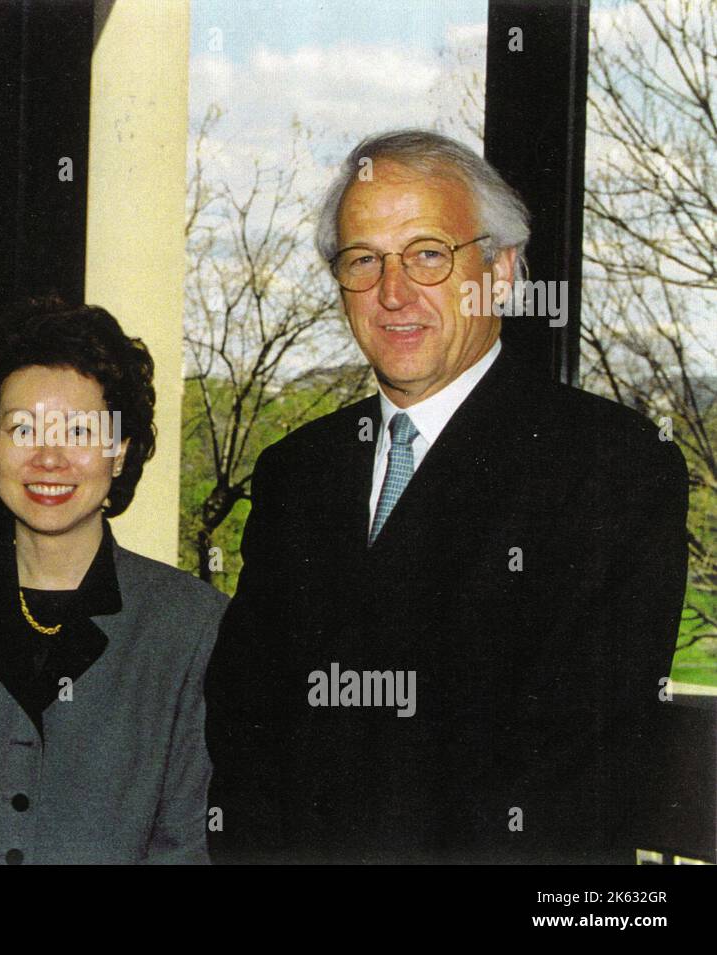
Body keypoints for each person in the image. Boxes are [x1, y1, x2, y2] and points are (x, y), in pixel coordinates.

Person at [205, 130, 689, 864]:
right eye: (363, 260)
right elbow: (245, 727)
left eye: (428, 254)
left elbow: (578, 767)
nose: (393, 292)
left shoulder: (608, 466)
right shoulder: (296, 474)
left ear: (500, 271)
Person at [0, 300, 227, 864]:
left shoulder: (192, 626)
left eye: (79, 430)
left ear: (120, 453)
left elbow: (188, 846)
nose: (49, 458)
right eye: (22, 428)